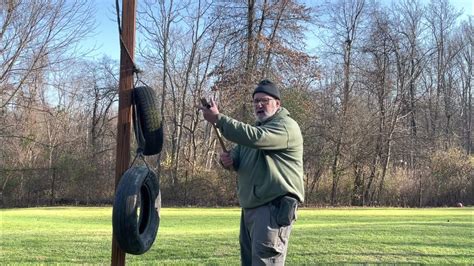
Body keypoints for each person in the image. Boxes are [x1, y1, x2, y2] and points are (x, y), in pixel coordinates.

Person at [199, 79, 304, 265]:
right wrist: (228, 161)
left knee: (266, 261)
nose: (259, 105)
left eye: (264, 100)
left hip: (273, 208)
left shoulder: (286, 126)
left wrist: (219, 119)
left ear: (277, 104)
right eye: (256, 101)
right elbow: (237, 158)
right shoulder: (255, 130)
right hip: (250, 207)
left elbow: (257, 139)